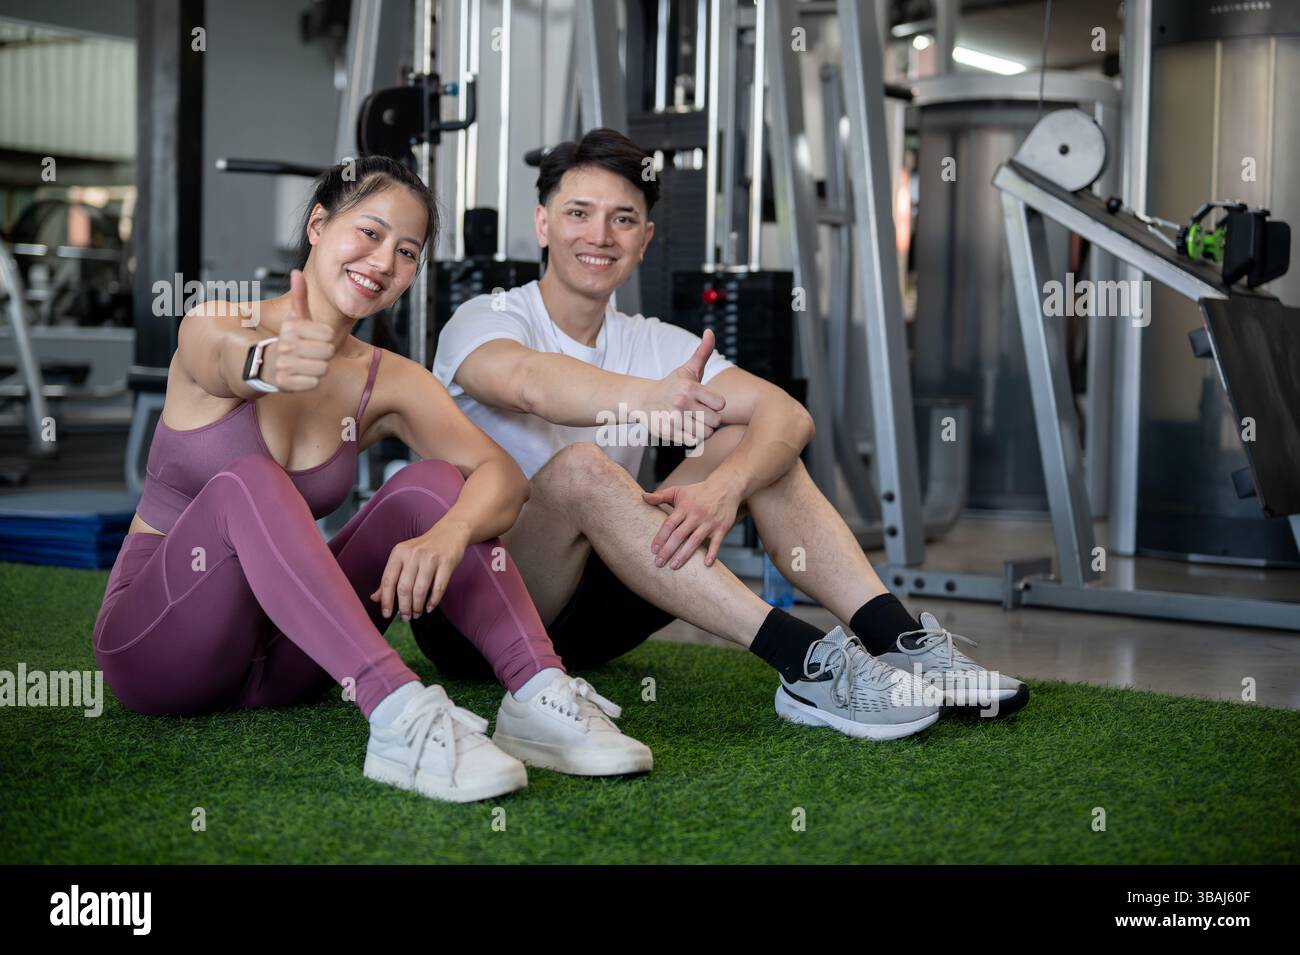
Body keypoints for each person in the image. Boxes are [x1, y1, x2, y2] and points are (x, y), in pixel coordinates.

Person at [413, 128, 1029, 739]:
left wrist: (728, 486)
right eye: (579, 213)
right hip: (476, 614)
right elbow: (528, 383)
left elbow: (789, 414)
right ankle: (805, 662)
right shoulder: (486, 317)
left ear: (646, 238)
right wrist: (650, 399)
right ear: (543, 224)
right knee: (580, 469)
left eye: (623, 219)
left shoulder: (651, 340)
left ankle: (897, 641)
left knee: (758, 446)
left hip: (593, 617)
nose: (599, 236)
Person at [92, 156, 652, 806]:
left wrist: (450, 533)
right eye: (370, 232)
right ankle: (399, 717)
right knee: (249, 479)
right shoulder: (219, 324)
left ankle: (536, 693)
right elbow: (220, 362)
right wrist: (269, 360)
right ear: (319, 225)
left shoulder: (389, 379)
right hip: (159, 651)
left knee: (436, 483)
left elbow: (501, 476)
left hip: (286, 662)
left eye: (407, 251)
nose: (384, 261)